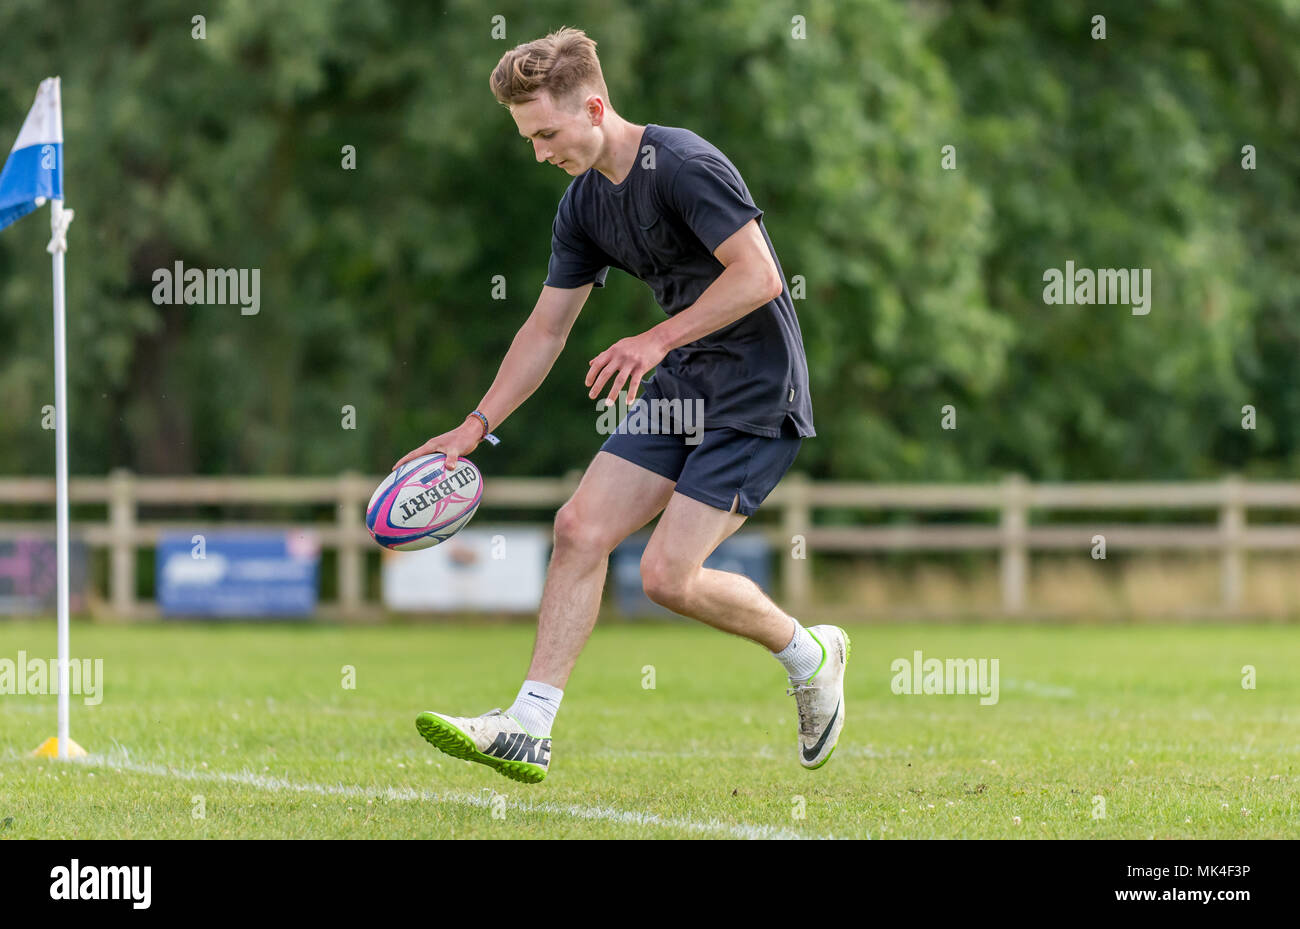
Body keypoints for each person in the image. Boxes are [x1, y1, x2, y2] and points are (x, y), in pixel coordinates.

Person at [394, 27, 848, 783]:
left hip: (757, 391)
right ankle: (529, 725)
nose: (539, 153)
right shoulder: (581, 207)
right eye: (529, 139)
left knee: (668, 577)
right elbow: (546, 329)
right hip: (685, 381)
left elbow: (759, 276)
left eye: (546, 134)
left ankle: (810, 654)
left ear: (594, 108)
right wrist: (475, 426)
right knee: (578, 529)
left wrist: (654, 340)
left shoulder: (685, 165)